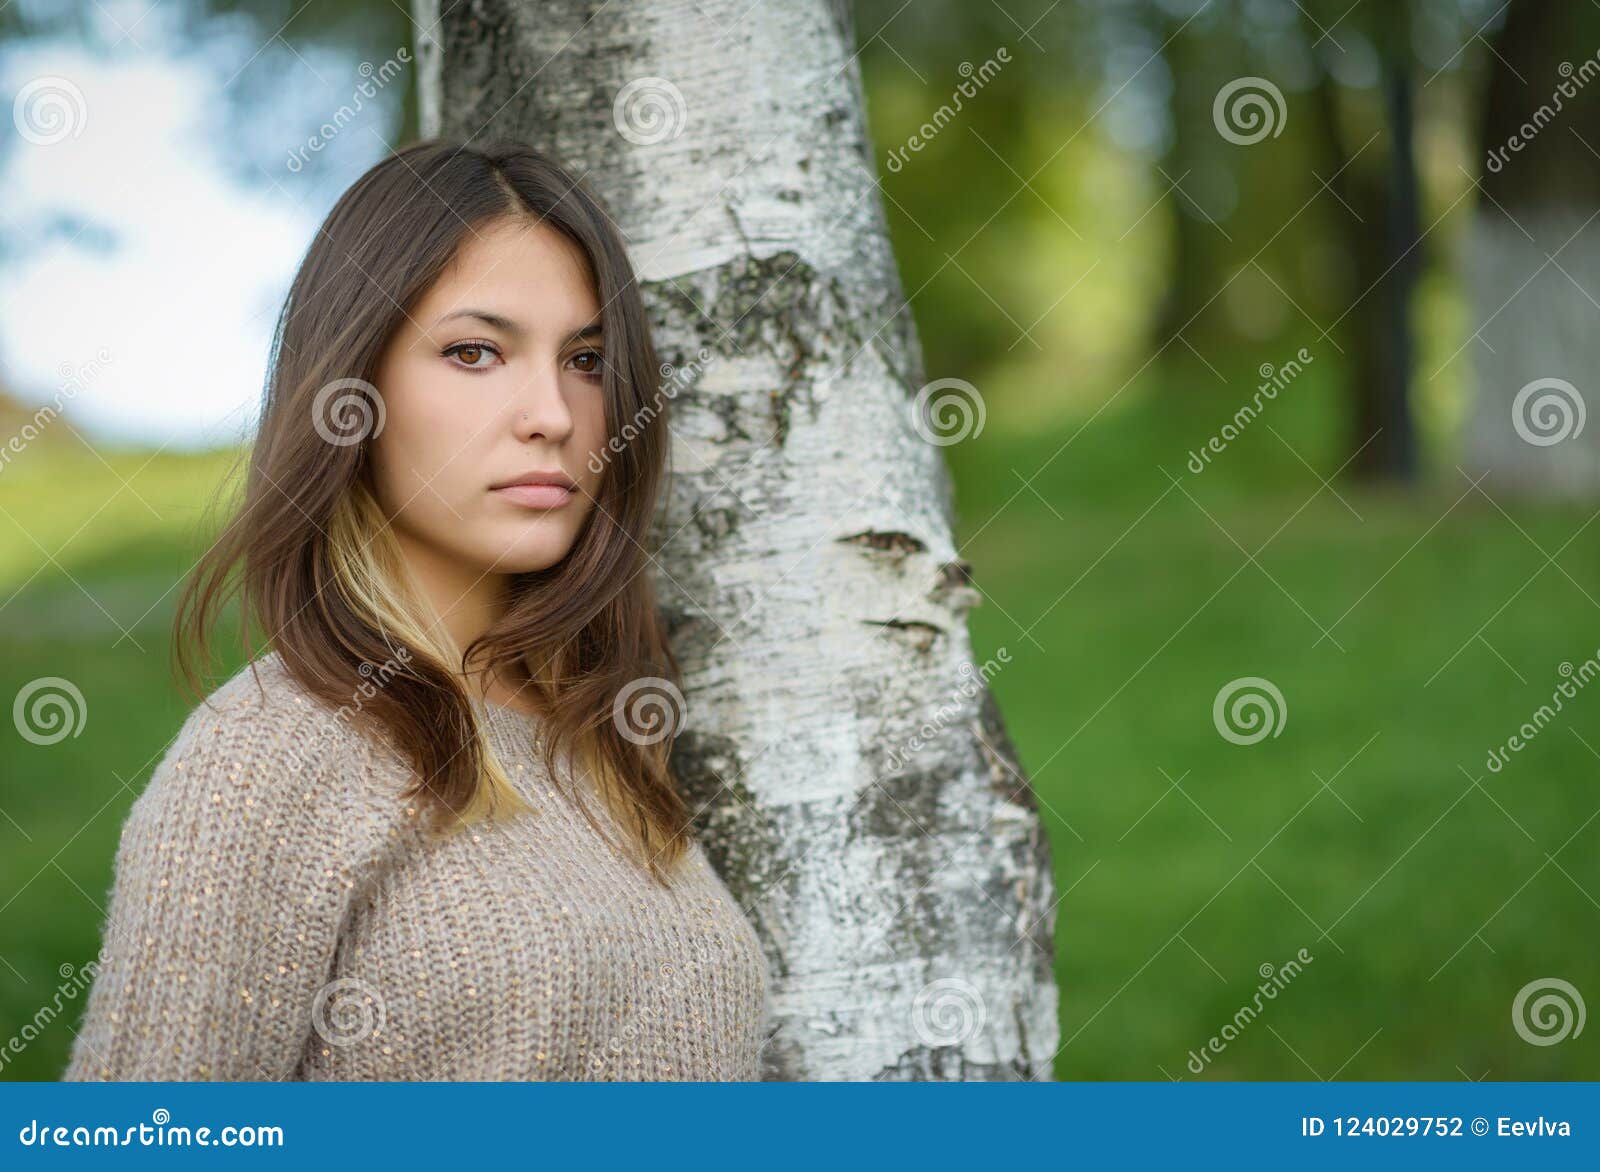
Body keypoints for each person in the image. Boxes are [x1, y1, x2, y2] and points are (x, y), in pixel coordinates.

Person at [62, 139, 769, 1082]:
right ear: (355, 390)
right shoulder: (270, 758)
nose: (552, 413)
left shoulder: (606, 744)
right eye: (476, 352)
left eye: (588, 359)